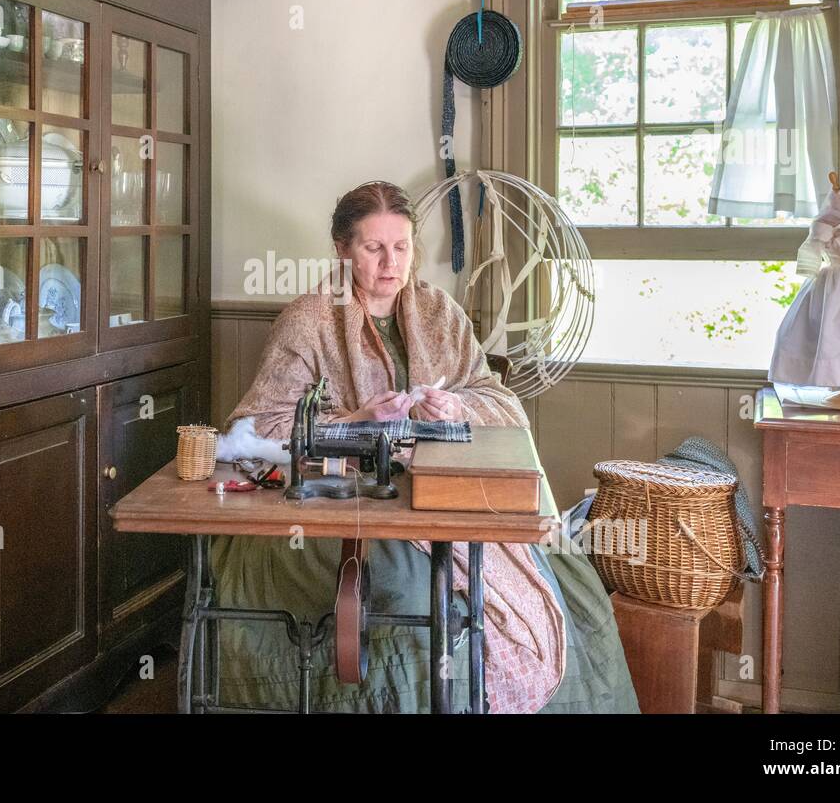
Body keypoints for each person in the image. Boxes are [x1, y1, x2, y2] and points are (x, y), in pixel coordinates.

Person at [209, 180, 638, 713]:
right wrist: (357, 419)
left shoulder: (440, 313)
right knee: (410, 591)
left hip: (440, 493)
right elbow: (252, 434)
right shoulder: (309, 319)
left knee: (573, 580)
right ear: (343, 249)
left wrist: (456, 406)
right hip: (340, 508)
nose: (392, 263)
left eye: (403, 246)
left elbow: (501, 404)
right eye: (374, 248)